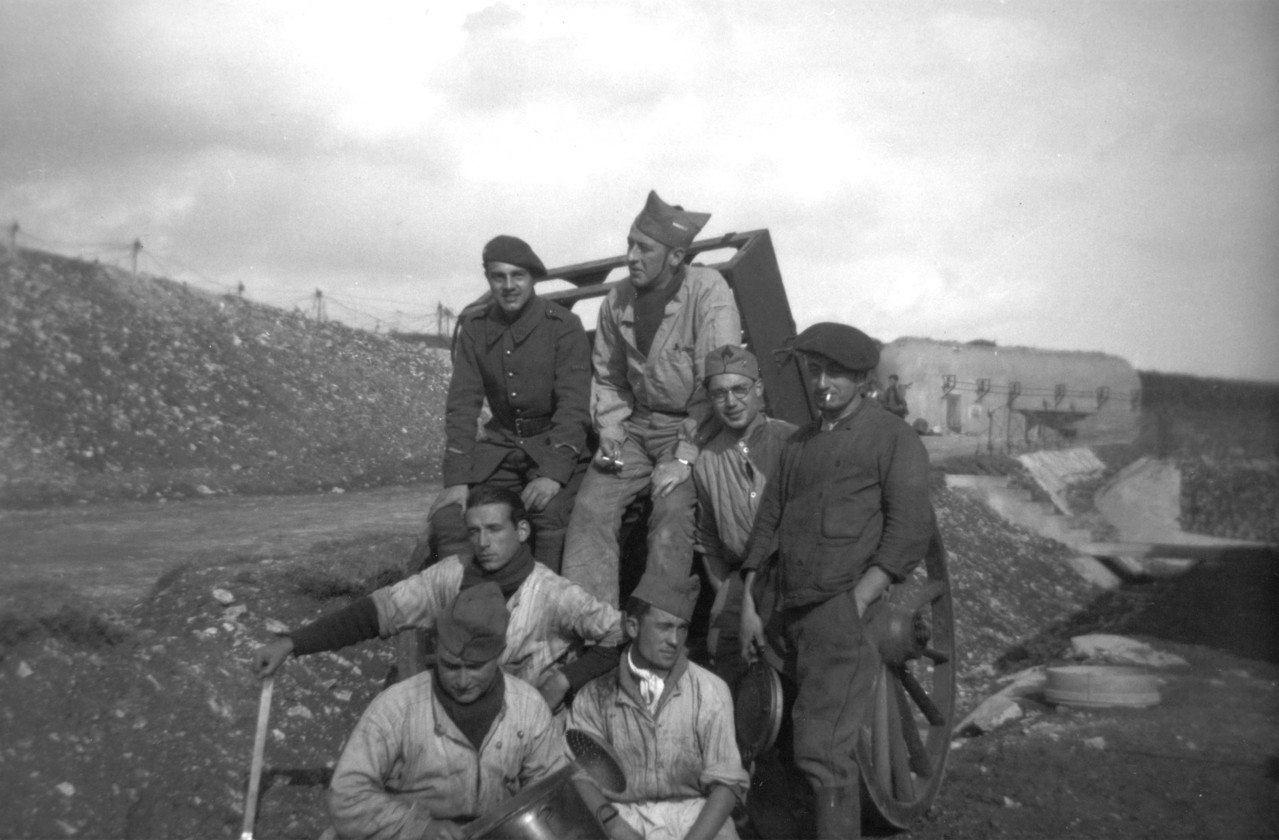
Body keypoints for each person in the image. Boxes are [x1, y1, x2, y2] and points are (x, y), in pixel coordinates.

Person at [737, 323, 936, 840]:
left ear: (862, 380)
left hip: (840, 614)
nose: (823, 382)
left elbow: (909, 530)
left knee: (823, 752)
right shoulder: (800, 444)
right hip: (783, 613)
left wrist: (860, 597)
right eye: (816, 371)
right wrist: (749, 605)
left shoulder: (894, 439)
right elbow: (769, 521)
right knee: (772, 740)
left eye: (836, 374)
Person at [252, 485, 624, 714]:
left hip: (529, 730)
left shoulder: (554, 594)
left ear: (522, 531)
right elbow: (377, 612)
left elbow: (617, 634)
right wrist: (293, 643)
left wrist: (564, 681)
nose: (483, 542)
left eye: (494, 529)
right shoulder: (452, 575)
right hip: (457, 714)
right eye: (474, 532)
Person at [561, 191, 743, 606]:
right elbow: (607, 376)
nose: (631, 257)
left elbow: (716, 383)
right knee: (590, 507)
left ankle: (661, 626)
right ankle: (594, 626)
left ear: (676, 256)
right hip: (635, 428)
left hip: (693, 426)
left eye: (644, 248)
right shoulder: (618, 299)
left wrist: (682, 457)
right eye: (629, 244)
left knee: (671, 512)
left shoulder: (707, 292)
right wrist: (609, 430)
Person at [326, 582, 567, 840]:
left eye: (475, 667)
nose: (462, 681)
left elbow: (552, 790)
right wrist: (417, 828)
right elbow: (345, 796)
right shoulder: (397, 708)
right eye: (451, 666)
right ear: (436, 652)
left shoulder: (528, 708)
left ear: (498, 654)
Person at [420, 234, 592, 572]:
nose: (509, 286)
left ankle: (542, 605)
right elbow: (462, 404)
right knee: (454, 517)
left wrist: (553, 475)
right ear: (489, 280)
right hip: (501, 445)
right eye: (499, 277)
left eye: (518, 276)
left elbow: (573, 406)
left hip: (551, 444)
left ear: (532, 279)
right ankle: (461, 603)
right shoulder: (476, 327)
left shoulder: (563, 326)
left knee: (548, 512)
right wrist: (456, 479)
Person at [568, 569, 749, 840]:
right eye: (664, 627)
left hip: (696, 815)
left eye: (682, 628)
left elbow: (726, 784)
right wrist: (614, 825)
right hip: (621, 816)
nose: (674, 641)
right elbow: (580, 776)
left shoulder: (710, 690)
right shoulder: (594, 696)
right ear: (632, 626)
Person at [691, 344, 797, 690]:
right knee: (725, 654)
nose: (731, 402)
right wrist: (726, 591)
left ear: (759, 389)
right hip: (739, 577)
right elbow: (707, 538)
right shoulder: (707, 460)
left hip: (790, 571)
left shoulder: (791, 441)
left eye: (740, 390)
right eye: (719, 394)